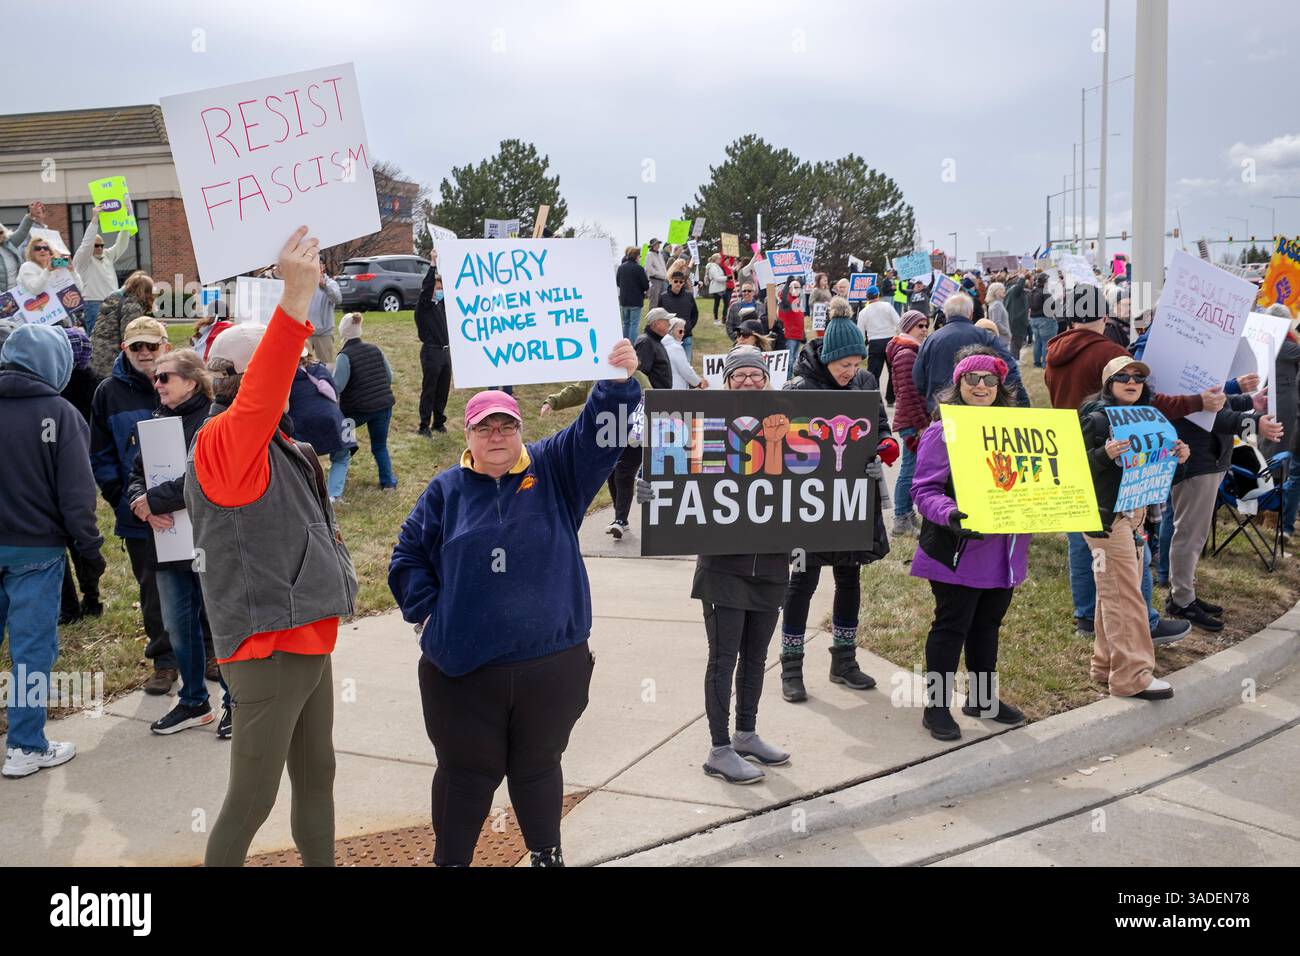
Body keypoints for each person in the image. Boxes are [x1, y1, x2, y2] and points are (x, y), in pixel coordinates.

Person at [390, 348, 642, 867]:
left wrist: (616, 382)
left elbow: (600, 433)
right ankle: (451, 860)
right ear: (468, 436)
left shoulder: (554, 471)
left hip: (551, 664)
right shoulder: (446, 491)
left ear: (521, 429)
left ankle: (546, 854)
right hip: (463, 670)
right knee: (464, 774)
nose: (497, 436)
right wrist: (429, 618)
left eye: (507, 425)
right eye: (485, 428)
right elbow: (407, 556)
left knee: (538, 767)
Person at [188, 227, 359, 867]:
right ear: (238, 377)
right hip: (270, 645)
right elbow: (262, 393)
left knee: (318, 775)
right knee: (252, 799)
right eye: (279, 369)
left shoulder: (274, 443)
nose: (293, 377)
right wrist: (296, 296)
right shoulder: (226, 440)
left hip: (304, 636)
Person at [1044, 283, 1212, 638]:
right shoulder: (1109, 352)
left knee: (1081, 539)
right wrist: (1198, 401)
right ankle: (1145, 623)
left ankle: (1087, 618)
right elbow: (1149, 404)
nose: (1130, 380)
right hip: (1112, 461)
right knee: (1134, 544)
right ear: (1104, 317)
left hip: (1073, 451)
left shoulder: (1054, 351)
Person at [0, 324, 104, 779]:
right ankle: (25, 746)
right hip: (37, 552)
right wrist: (89, 549)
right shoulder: (60, 414)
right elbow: (77, 496)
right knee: (32, 650)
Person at [909, 346, 1029, 740]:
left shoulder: (1016, 431)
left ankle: (983, 699)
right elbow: (923, 489)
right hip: (957, 550)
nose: (981, 386)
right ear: (958, 384)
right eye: (972, 379)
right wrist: (950, 514)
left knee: (987, 625)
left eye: (989, 379)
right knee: (951, 626)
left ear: (1000, 386)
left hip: (1003, 550)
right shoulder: (944, 430)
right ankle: (936, 708)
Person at [779, 306, 897, 701]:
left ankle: (844, 660)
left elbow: (880, 422)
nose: (850, 370)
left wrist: (885, 441)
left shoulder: (865, 381)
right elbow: (777, 441)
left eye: (856, 363)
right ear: (828, 358)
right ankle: (791, 666)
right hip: (810, 502)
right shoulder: (798, 389)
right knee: (802, 581)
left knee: (850, 578)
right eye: (844, 364)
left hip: (853, 498)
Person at [688, 346, 791, 784]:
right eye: (739, 375)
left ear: (766, 379)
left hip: (771, 563)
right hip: (723, 567)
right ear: (727, 380)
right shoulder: (705, 426)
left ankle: (746, 733)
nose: (748, 381)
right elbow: (679, 475)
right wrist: (652, 493)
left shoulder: (787, 426)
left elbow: (815, 479)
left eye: (755, 374)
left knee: (756, 656)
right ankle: (719, 747)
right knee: (723, 658)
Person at [125, 349, 230, 736]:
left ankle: (236, 705)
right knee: (177, 625)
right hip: (167, 543)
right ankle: (194, 703)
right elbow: (136, 474)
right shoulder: (156, 421)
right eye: (155, 378)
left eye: (165, 377)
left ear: (191, 380)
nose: (157, 384)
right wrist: (141, 505)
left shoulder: (217, 419)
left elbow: (207, 477)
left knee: (221, 623)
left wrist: (155, 499)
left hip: (209, 540)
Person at [1080, 357, 1192, 702]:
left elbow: (1159, 475)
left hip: (1135, 516)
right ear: (1107, 383)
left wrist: (1179, 460)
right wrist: (1104, 453)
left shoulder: (1150, 420)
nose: (1131, 381)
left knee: (1111, 592)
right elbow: (1074, 468)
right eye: (1122, 376)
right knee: (1126, 596)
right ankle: (1132, 677)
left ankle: (1106, 665)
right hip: (1105, 520)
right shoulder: (1095, 419)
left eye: (1138, 377)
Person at [91, 316, 178, 694]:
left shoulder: (187, 380)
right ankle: (164, 660)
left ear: (165, 347)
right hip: (138, 514)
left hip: (187, 508)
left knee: (200, 579)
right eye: (136, 347)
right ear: (124, 349)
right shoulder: (107, 392)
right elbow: (101, 453)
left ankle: (208, 650)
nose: (144, 353)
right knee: (153, 587)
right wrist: (121, 497)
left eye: (151, 346)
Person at [1166, 372, 1281, 630]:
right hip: (1197, 461)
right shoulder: (1183, 361)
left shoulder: (1200, 358)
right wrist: (1254, 421)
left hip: (1211, 459)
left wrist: (1249, 401)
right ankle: (1181, 600)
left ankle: (1183, 593)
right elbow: (1210, 415)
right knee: (1190, 534)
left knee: (1195, 534)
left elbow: (1220, 402)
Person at [58, 328, 104, 626]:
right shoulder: (97, 385)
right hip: (83, 469)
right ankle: (92, 596)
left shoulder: (54, 389)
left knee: (58, 539)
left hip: (54, 470)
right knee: (80, 537)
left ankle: (70, 607)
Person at [911, 292, 1022, 411]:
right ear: (970, 314)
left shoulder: (930, 340)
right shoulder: (985, 336)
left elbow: (918, 379)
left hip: (940, 407)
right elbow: (1009, 369)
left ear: (946, 314)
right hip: (978, 407)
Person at [333, 312, 397, 491]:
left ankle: (339, 467)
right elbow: (389, 376)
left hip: (356, 410)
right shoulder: (375, 349)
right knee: (380, 446)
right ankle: (388, 483)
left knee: (342, 437)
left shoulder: (344, 356)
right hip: (383, 405)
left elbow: (337, 386)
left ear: (342, 332)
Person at [289, 346, 355, 503]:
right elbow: (334, 392)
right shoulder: (320, 369)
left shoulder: (283, 377)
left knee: (303, 461)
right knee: (341, 456)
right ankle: (334, 494)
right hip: (331, 419)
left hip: (302, 424)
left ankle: (305, 494)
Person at [886, 310, 931, 536]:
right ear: (907, 328)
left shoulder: (914, 350)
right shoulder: (906, 354)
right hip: (913, 420)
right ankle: (901, 519)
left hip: (915, 419)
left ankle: (908, 513)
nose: (924, 329)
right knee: (909, 470)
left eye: (926, 325)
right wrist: (922, 424)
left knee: (913, 469)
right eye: (919, 325)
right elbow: (909, 393)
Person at [72, 200, 134, 335]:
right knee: (96, 337)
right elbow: (87, 244)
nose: (100, 248)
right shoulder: (82, 260)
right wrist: (95, 219)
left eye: (102, 245)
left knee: (115, 336)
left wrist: (126, 218)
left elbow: (121, 244)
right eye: (96, 245)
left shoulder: (107, 255)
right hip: (94, 304)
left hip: (113, 302)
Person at [91, 271, 155, 378]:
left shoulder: (112, 301)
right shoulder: (133, 307)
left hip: (97, 354)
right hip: (112, 359)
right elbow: (130, 337)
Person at [415, 260, 451, 435]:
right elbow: (426, 287)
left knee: (443, 388)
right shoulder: (425, 307)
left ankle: (438, 421)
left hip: (445, 352)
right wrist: (433, 266)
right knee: (430, 389)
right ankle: (424, 425)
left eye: (441, 288)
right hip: (431, 351)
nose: (439, 291)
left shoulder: (442, 306)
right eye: (436, 289)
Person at [858, 285, 899, 405]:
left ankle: (874, 398)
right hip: (890, 340)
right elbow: (898, 322)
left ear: (867, 298)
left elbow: (860, 332)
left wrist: (863, 346)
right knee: (892, 371)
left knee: (874, 373)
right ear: (878, 295)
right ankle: (891, 399)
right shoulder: (887, 306)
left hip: (874, 342)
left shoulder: (863, 312)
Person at [17, 234, 82, 307]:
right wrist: (48, 270)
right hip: (36, 313)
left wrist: (72, 271)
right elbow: (35, 290)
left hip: (61, 311)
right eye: (37, 248)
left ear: (50, 252)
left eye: (45, 248)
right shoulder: (27, 266)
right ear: (32, 253)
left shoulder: (57, 266)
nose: (42, 250)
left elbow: (80, 289)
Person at [659, 270, 699, 361]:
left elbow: (695, 314)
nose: (678, 284)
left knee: (687, 363)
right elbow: (660, 317)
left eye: (681, 282)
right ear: (671, 281)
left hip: (686, 335)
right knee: (670, 364)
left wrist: (688, 326)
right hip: (669, 336)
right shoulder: (663, 297)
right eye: (676, 281)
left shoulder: (689, 296)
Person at [306, 261, 341, 366]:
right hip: (305, 333)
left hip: (323, 334)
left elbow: (338, 299)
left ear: (323, 267)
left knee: (326, 367)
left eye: (319, 264)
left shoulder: (330, 283)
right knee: (302, 367)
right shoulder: (303, 282)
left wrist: (324, 286)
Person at [0, 202, 40, 291]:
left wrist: (31, 216)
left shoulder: (9, 243)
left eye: (1, 232)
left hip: (18, 292)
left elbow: (22, 232)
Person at [768, 276, 806, 365]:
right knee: (789, 359)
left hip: (797, 334)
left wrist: (803, 334)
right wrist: (788, 283)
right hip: (789, 335)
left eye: (798, 287)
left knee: (794, 358)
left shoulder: (796, 300)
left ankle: (790, 376)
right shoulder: (786, 300)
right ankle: (788, 377)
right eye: (795, 287)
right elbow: (783, 296)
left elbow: (799, 320)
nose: (797, 289)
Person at [616, 246, 650, 342]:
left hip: (624, 299)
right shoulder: (639, 268)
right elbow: (646, 286)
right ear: (636, 256)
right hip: (636, 300)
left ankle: (624, 342)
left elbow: (618, 282)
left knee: (626, 323)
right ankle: (632, 344)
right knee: (634, 324)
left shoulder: (621, 267)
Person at [634, 307, 673, 389]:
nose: (669, 324)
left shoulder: (655, 341)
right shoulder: (646, 342)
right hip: (653, 397)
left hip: (659, 395)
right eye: (666, 321)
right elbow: (641, 373)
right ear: (656, 324)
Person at [664, 316, 705, 390]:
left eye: (683, 331)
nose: (683, 334)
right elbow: (686, 371)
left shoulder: (663, 344)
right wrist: (698, 382)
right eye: (680, 331)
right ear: (671, 331)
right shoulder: (676, 348)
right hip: (676, 389)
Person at [1028, 273, 1055, 368]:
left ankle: (1036, 362)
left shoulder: (1033, 291)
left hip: (1034, 319)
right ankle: (1045, 363)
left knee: (1037, 341)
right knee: (1046, 342)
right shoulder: (1045, 292)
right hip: (1044, 319)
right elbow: (1051, 305)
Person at [1005, 270, 1029, 360]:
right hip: (1016, 319)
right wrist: (1022, 277)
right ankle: (1015, 360)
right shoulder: (1013, 289)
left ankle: (1015, 358)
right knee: (1016, 342)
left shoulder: (1008, 288)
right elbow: (1019, 287)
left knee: (1016, 342)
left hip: (1015, 318)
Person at [984, 282, 1011, 349]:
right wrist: (1007, 332)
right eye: (1002, 289)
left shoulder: (994, 303)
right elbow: (996, 322)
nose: (1004, 290)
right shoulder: (997, 304)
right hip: (1001, 338)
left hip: (1000, 337)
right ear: (997, 292)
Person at [706, 253, 728, 325]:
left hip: (720, 287)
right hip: (716, 288)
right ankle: (716, 320)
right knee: (718, 304)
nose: (721, 259)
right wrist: (727, 278)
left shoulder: (716, 266)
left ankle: (723, 318)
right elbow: (717, 278)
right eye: (719, 258)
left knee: (722, 303)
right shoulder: (713, 267)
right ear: (715, 259)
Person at [645, 239, 668, 308]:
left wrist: (664, 274)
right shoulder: (649, 255)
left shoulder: (660, 254)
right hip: (655, 280)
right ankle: (653, 318)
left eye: (658, 244)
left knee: (662, 301)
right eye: (656, 244)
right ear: (652, 246)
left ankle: (659, 318)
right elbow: (648, 268)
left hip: (662, 279)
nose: (657, 246)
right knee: (654, 301)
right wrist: (659, 273)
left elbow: (663, 266)